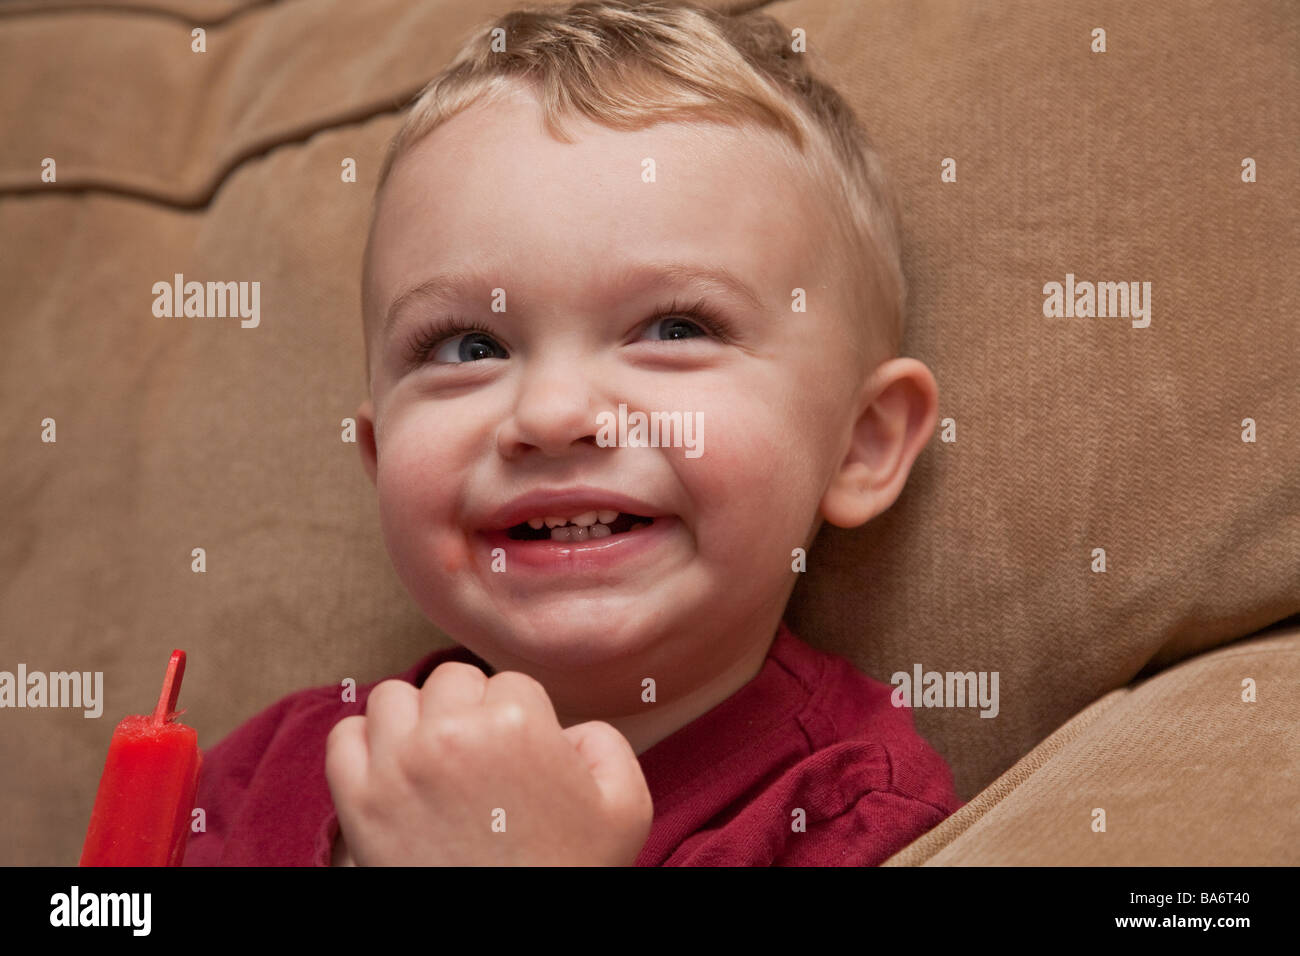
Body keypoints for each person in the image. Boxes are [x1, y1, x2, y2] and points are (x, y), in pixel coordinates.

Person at [184, 0, 961, 867]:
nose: (552, 416)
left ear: (861, 443)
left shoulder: (849, 817)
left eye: (673, 329)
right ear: (379, 459)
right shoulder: (264, 778)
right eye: (468, 347)